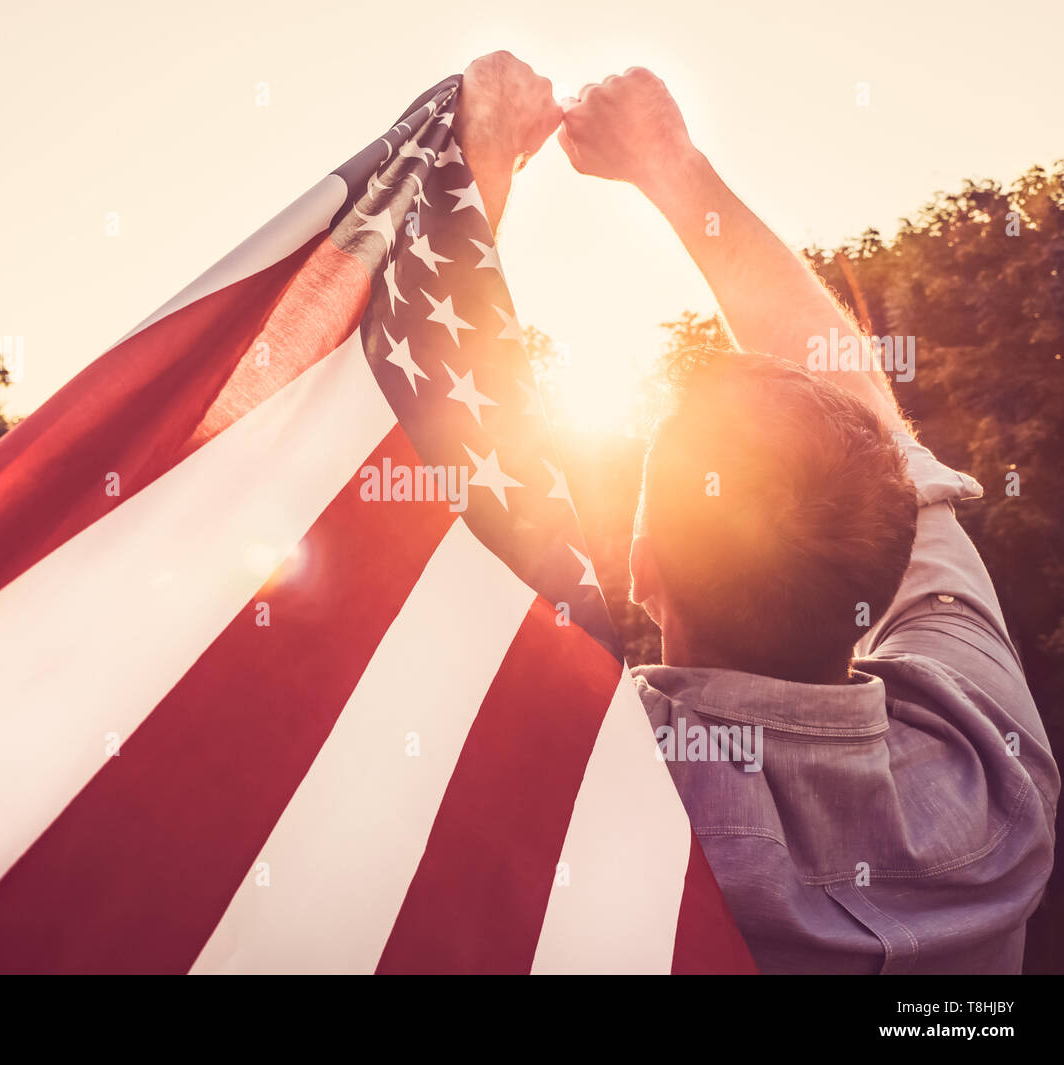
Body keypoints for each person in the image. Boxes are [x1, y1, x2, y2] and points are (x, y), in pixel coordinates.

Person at [453, 51, 1059, 973]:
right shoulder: (988, 764)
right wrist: (671, 162)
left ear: (641, 569)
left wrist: (472, 167)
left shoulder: (575, 797)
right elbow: (856, 396)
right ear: (890, 562)